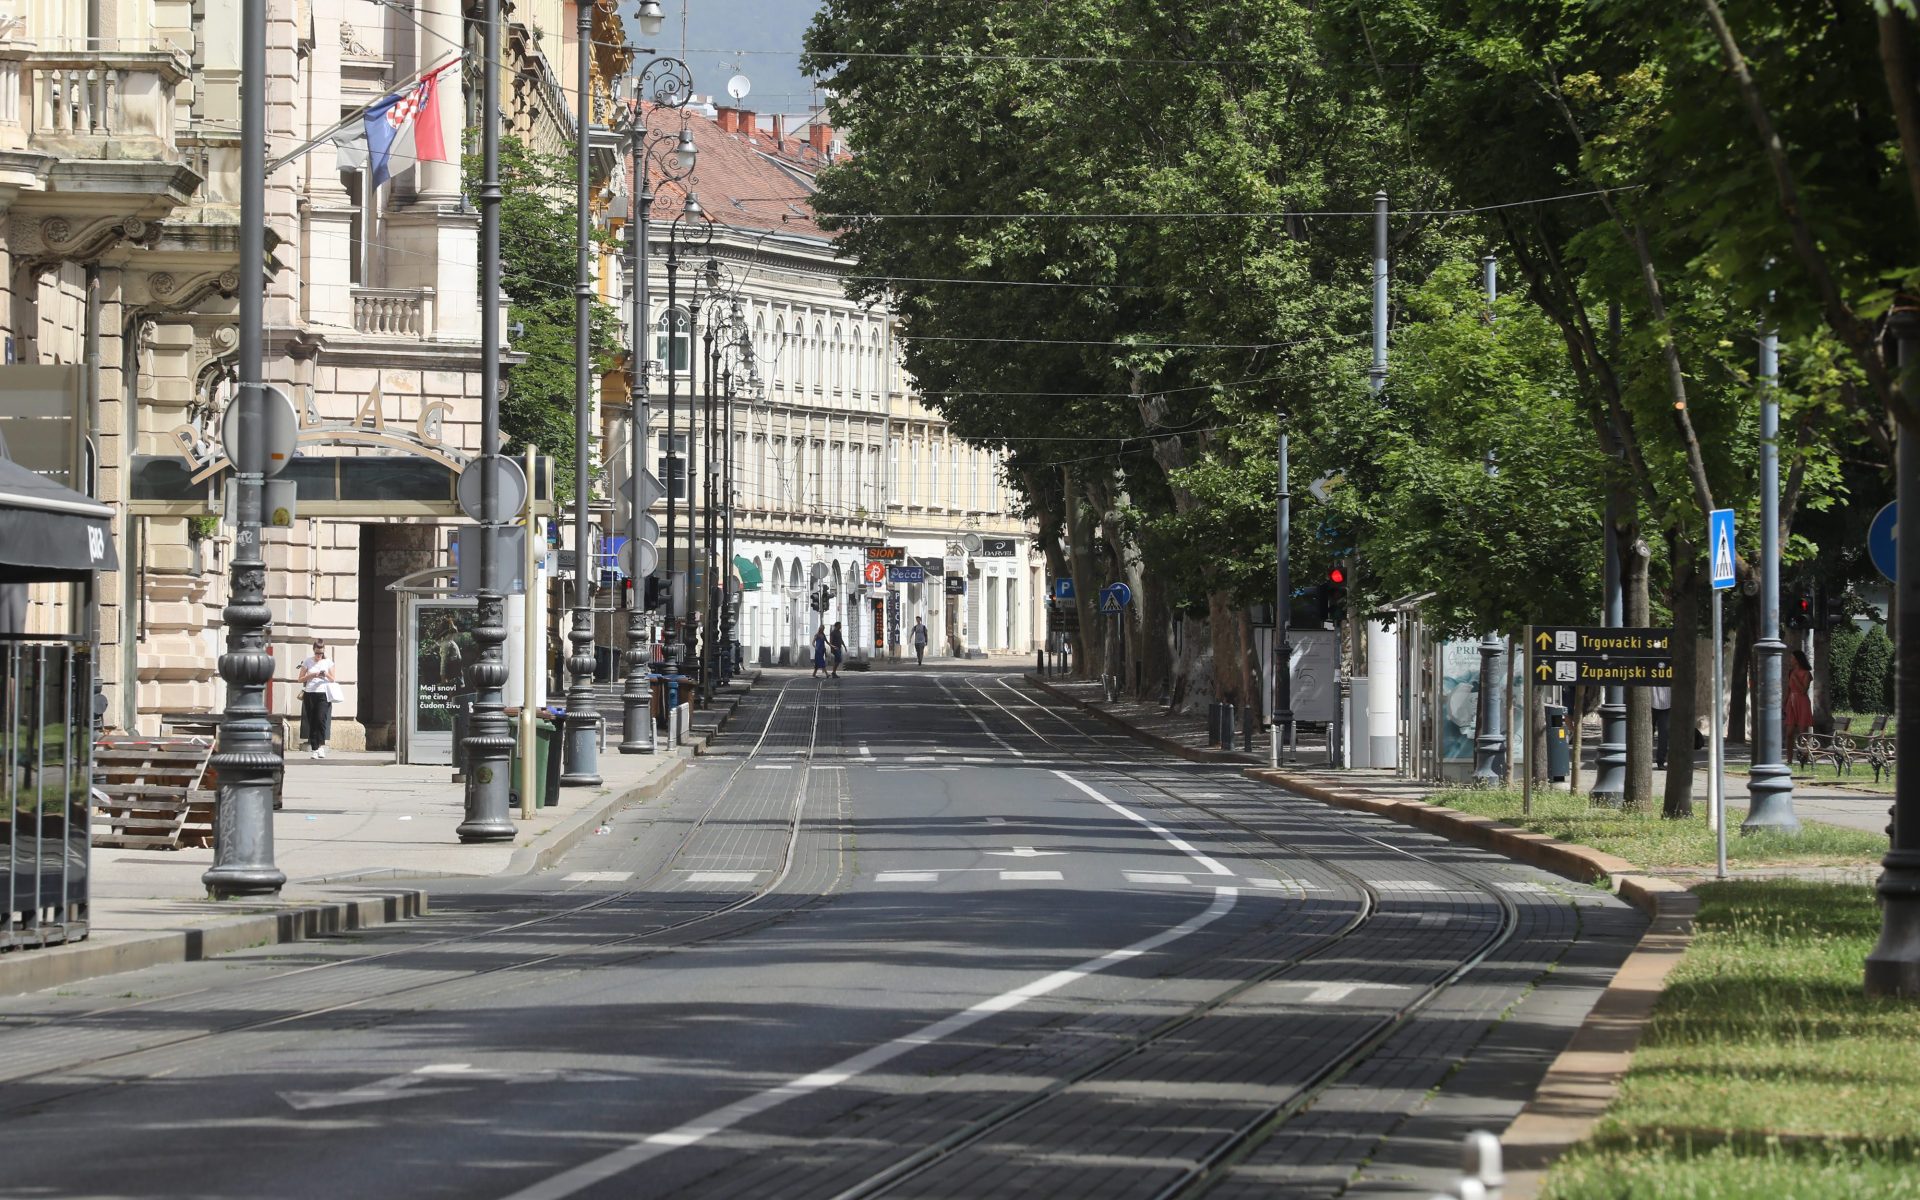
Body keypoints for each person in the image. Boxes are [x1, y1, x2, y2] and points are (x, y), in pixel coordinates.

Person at [297, 640, 337, 759]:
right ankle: (315, 748)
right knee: (312, 721)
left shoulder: (328, 662)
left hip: (323, 694)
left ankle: (320, 746)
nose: (319, 655)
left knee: (320, 720)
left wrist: (324, 674)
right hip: (310, 693)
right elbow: (300, 679)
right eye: (317, 653)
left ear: (323, 651)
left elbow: (333, 679)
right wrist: (312, 675)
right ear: (314, 650)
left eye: (321, 653)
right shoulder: (307, 661)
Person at [1784, 648, 1814, 759]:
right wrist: (1784, 703)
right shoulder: (1791, 672)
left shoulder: (1806, 673)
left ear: (1797, 660)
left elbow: (1803, 690)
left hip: (1802, 702)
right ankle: (1789, 759)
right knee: (1789, 733)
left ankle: (1804, 756)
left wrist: (1795, 679)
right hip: (1791, 702)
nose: (1790, 660)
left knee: (1802, 732)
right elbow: (1788, 689)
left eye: (1792, 658)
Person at [1651, 685, 1672, 770]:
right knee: (1663, 735)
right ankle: (1660, 762)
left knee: (1663, 735)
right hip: (1660, 703)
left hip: (1663, 704)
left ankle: (1660, 761)